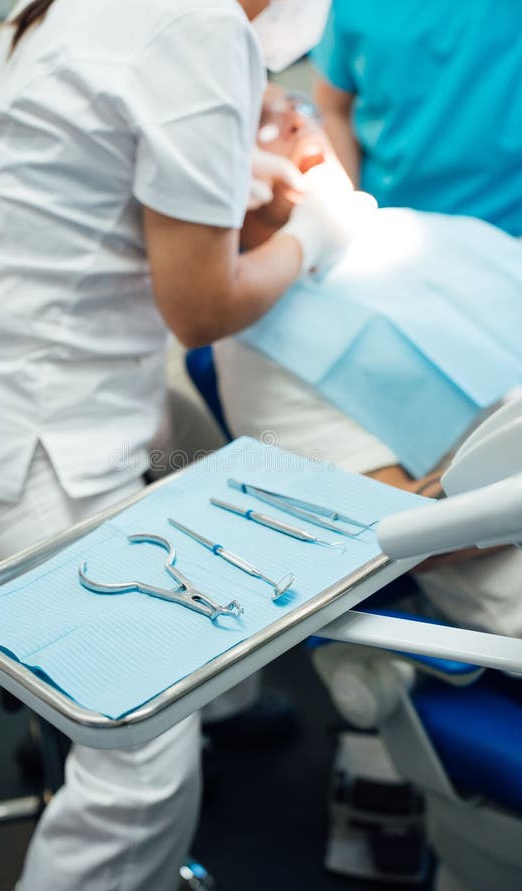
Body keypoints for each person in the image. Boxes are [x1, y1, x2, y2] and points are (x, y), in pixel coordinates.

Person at [0, 3, 359, 891]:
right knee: (142, 763)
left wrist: (246, 171)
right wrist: (320, 229)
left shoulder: (61, 9)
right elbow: (201, 308)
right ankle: (170, 719)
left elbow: (92, 181)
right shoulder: (199, 24)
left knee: (209, 458)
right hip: (40, 435)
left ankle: (226, 697)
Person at [214, 87, 522, 638]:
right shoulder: (260, 349)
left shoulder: (442, 233)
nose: (292, 121)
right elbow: (379, 534)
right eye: (259, 123)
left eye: (294, 105)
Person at [311, 0, 522, 237]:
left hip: (509, 226)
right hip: (391, 224)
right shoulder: (352, 7)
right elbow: (332, 108)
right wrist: (346, 210)